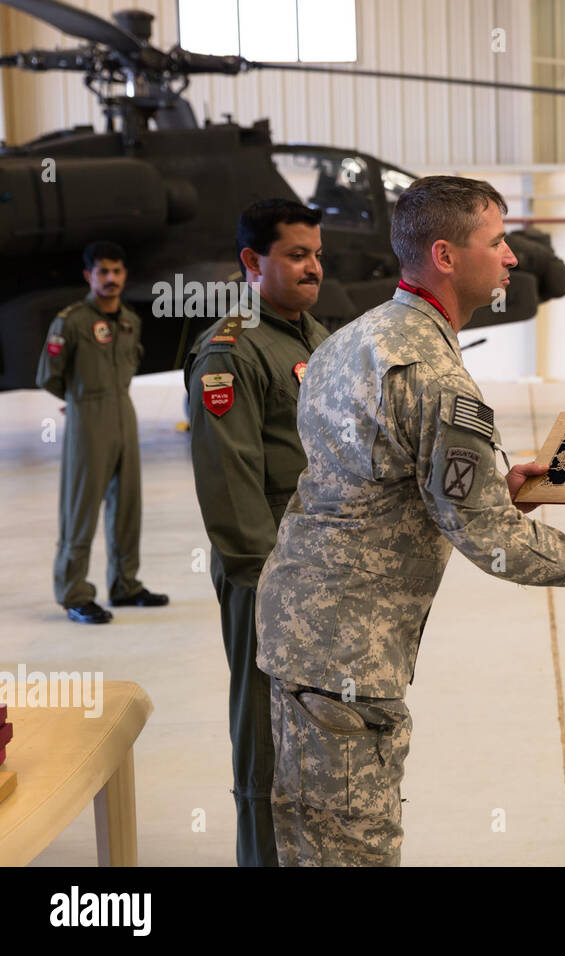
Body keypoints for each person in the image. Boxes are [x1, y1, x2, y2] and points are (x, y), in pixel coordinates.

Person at [254, 176, 565, 866]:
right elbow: (493, 543)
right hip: (349, 658)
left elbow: (373, 483)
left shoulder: (351, 339)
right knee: (354, 850)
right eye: (497, 240)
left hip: (301, 633)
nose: (512, 257)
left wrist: (492, 489)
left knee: (312, 840)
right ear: (447, 257)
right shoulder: (436, 376)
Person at [184, 199, 331, 867]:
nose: (313, 267)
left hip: (326, 568)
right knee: (268, 735)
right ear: (252, 262)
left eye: (316, 254)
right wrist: (264, 577)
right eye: (296, 255)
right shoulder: (230, 352)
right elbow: (230, 477)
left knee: (319, 730)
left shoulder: (314, 338)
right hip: (268, 572)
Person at [34, 241, 168, 624]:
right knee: (80, 509)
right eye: (103, 271)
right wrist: (79, 399)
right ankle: (74, 592)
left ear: (125, 275)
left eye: (117, 271)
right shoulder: (71, 320)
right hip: (88, 416)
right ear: (88, 276)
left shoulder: (129, 320)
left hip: (124, 411)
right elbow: (49, 375)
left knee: (128, 505)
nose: (111, 279)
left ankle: (125, 584)